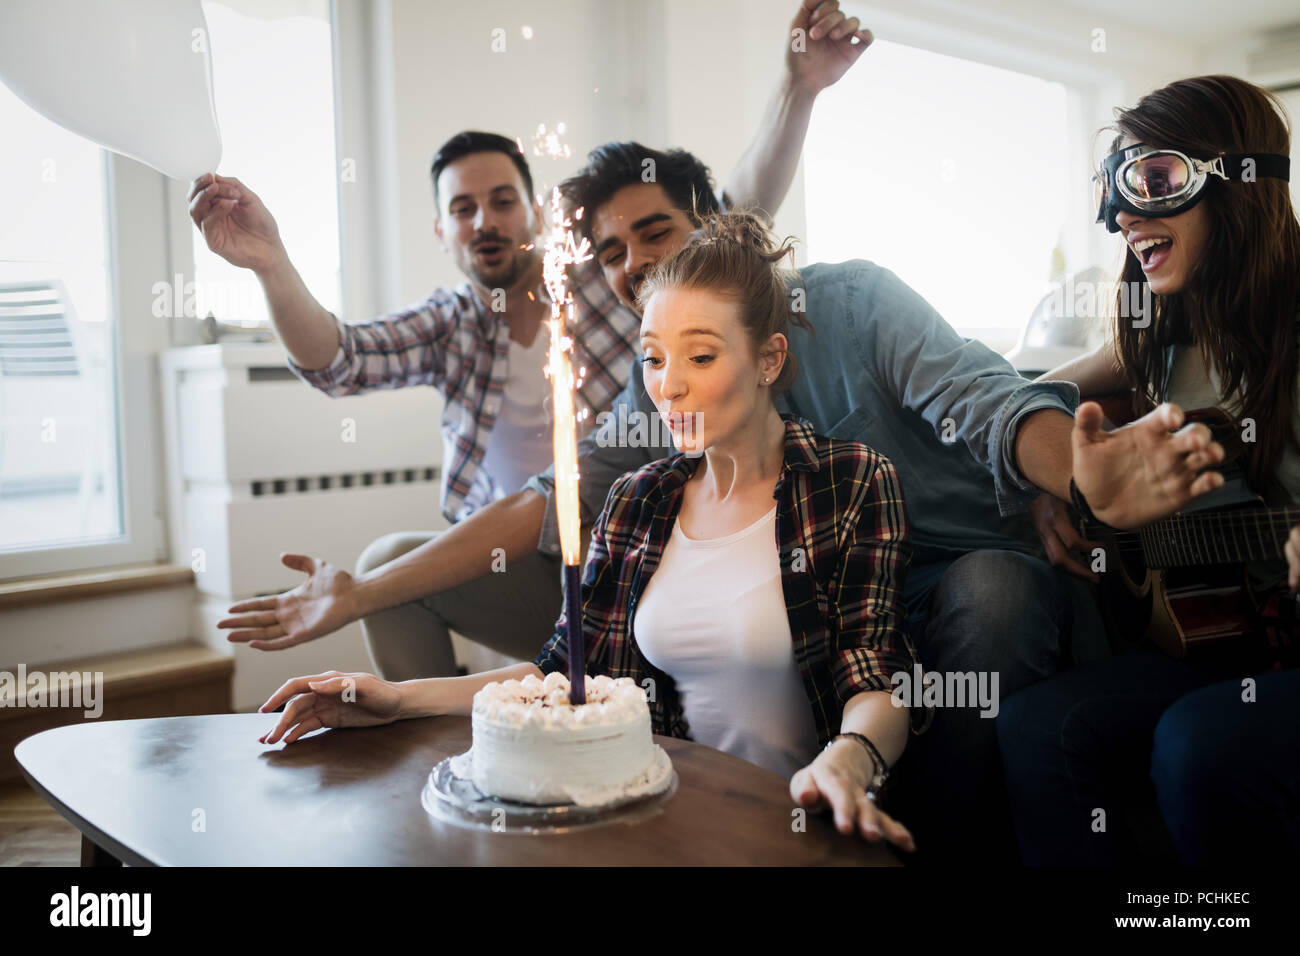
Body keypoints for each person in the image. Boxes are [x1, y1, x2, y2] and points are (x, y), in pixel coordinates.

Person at [244, 137, 1223, 861]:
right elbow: (553, 529)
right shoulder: (647, 421)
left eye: (653, 234)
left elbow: (982, 400)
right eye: (610, 251)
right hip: (807, 630)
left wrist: (1076, 477)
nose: (630, 266)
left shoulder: (851, 312)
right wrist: (373, 637)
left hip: (960, 569)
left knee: (986, 595)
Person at [198, 0, 876, 679]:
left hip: (635, 547)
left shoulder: (616, 280)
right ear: (442, 231)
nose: (484, 221)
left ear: (535, 214)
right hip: (519, 553)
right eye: (462, 209)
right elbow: (337, 361)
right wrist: (271, 263)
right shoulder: (449, 322)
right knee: (384, 568)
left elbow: (729, 220)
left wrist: (797, 89)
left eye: (501, 201)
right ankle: (440, 757)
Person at [259, 212, 922, 852]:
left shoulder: (849, 481)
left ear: (769, 359)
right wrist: (396, 700)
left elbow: (875, 678)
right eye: (654, 359)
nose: (671, 388)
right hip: (651, 827)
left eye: (700, 356)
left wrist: (848, 762)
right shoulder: (638, 501)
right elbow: (561, 671)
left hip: (787, 831)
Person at [997, 74, 1300, 865]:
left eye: (1154, 181)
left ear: (1237, 183)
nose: (1125, 215)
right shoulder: (1158, 331)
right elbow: (1034, 395)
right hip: (1230, 640)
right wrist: (1051, 482)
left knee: (1200, 743)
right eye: (1116, 187)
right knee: (1036, 725)